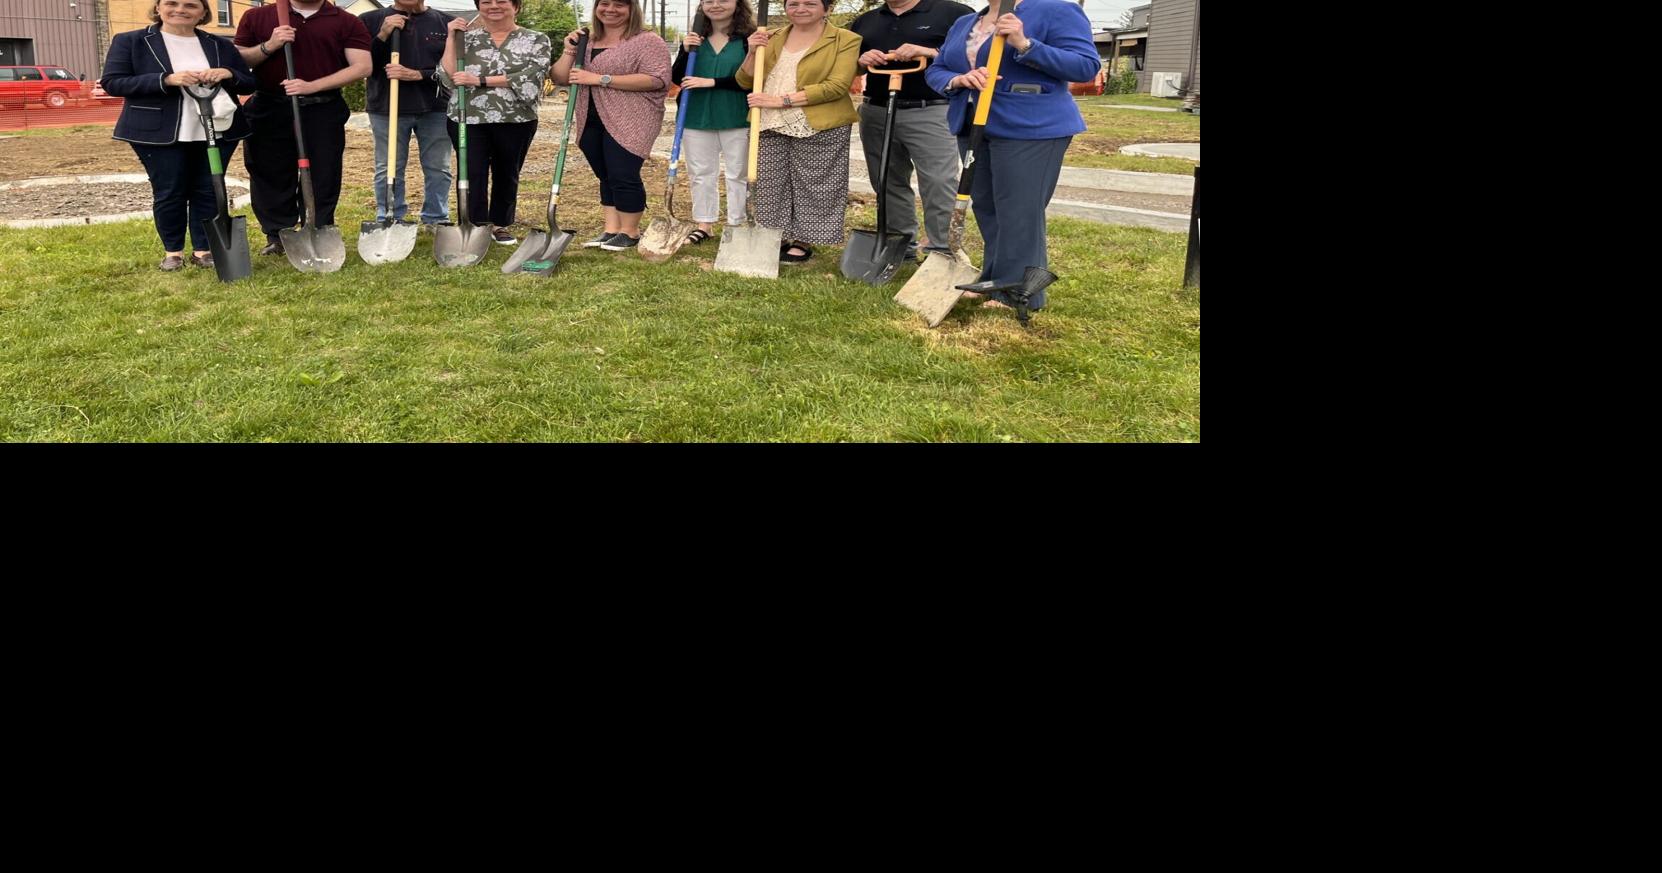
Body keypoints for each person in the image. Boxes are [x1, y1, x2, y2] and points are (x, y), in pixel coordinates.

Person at [922, 0, 1096, 311]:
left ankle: (1020, 293)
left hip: (1032, 127)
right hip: (974, 123)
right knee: (989, 207)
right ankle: (995, 279)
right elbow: (937, 69)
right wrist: (958, 80)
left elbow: (1084, 66)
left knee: (1019, 211)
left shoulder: (1056, 10)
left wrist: (1025, 44)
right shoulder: (966, 23)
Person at [101, 0, 256, 271]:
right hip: (157, 131)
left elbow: (249, 81)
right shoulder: (132, 41)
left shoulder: (219, 45)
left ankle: (203, 249)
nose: (180, 9)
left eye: (190, 5)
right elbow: (113, 82)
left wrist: (228, 73)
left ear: (203, 12)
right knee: (169, 190)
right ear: (158, 8)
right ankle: (173, 251)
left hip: (217, 128)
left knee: (209, 188)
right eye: (171, 3)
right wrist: (166, 80)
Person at [234, 0, 372, 256]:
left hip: (323, 107)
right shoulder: (257, 16)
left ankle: (318, 227)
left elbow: (362, 66)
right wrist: (270, 45)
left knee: (324, 171)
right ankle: (278, 234)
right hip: (269, 105)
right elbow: (238, 58)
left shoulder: (345, 20)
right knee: (269, 171)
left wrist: (311, 86)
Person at [735, 0, 861, 263]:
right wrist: (751, 52)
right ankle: (772, 235)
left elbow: (836, 86)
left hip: (818, 122)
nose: (800, 8)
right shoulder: (770, 37)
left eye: (810, 3)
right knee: (769, 183)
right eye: (793, 4)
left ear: (827, 9)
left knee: (815, 183)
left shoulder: (845, 39)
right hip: (768, 120)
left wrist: (781, 100)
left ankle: (804, 240)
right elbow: (745, 80)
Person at [847, 0, 971, 260]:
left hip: (931, 109)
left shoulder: (953, 13)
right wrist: (862, 59)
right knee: (887, 181)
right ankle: (900, 247)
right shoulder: (866, 21)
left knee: (938, 182)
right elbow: (851, 64)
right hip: (878, 109)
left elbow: (973, 56)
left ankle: (943, 250)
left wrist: (929, 51)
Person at [552, 0, 671, 252]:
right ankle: (611, 229)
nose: (610, 9)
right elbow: (560, 77)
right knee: (604, 174)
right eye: (604, 3)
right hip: (590, 116)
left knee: (622, 172)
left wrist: (600, 79)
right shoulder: (587, 40)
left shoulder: (648, 41)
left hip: (632, 117)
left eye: (620, 4)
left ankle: (630, 232)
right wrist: (569, 51)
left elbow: (657, 79)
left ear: (632, 9)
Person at [436, 0, 552, 245]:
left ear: (516, 6)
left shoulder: (536, 39)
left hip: (516, 118)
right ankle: (474, 224)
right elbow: (447, 76)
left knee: (507, 172)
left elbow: (533, 74)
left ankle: (500, 224)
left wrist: (480, 80)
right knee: (471, 172)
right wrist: (450, 37)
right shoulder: (466, 37)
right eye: (486, 2)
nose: (493, 6)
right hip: (468, 117)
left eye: (501, 1)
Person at [669, 0, 756, 247]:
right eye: (709, 1)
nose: (716, 5)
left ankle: (736, 223)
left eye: (723, 0)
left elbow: (751, 79)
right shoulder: (696, 38)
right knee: (700, 173)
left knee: (737, 173)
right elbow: (677, 77)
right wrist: (685, 50)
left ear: (738, 4)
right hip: (696, 115)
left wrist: (712, 82)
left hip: (736, 115)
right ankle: (704, 224)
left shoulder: (749, 38)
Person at [362, 0, 456, 226]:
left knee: (438, 167)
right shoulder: (369, 20)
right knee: (389, 166)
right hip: (387, 107)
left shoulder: (446, 23)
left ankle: (436, 218)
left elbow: (454, 70)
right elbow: (363, 65)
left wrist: (419, 74)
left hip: (436, 107)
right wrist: (382, 35)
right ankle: (390, 216)